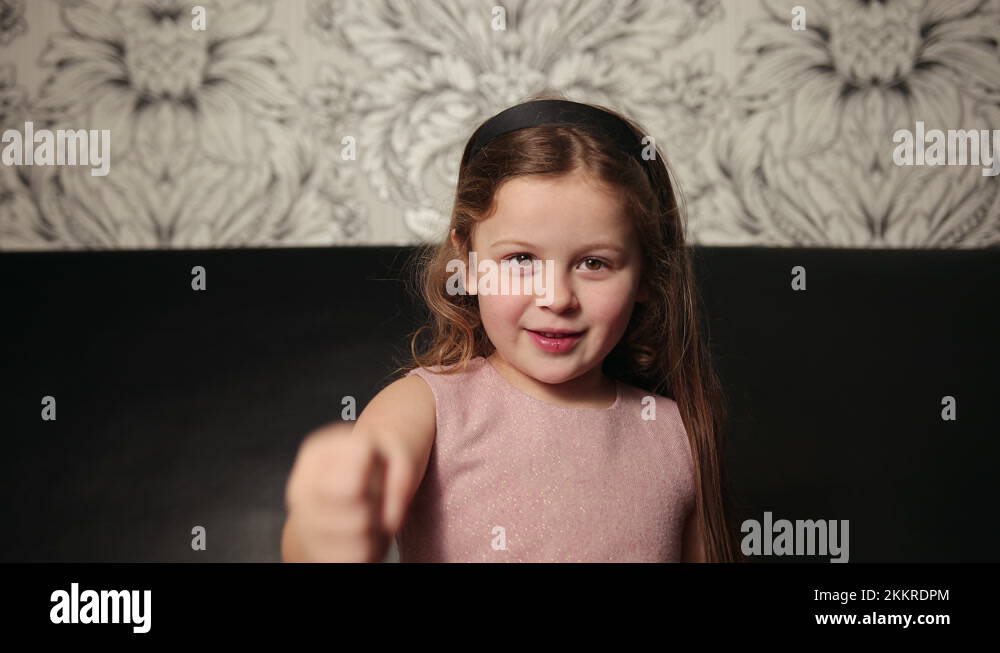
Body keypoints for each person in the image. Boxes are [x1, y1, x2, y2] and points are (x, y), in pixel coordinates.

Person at [282, 95, 742, 563]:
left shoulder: (675, 433)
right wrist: (327, 524)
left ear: (646, 275)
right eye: (521, 259)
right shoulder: (427, 409)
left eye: (594, 262)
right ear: (469, 263)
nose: (557, 297)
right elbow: (333, 532)